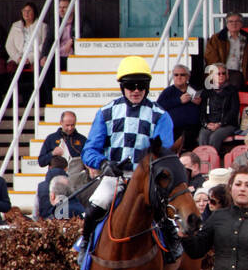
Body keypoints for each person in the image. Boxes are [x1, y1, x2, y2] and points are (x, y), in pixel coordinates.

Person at [75, 56, 175, 255]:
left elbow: (165, 151)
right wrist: (104, 164)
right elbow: (89, 151)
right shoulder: (105, 112)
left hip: (148, 179)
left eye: (141, 85)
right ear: (122, 87)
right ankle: (85, 244)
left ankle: (173, 247)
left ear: (147, 86)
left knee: (166, 211)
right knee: (96, 205)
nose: (136, 90)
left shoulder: (161, 115)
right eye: (131, 85)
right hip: (115, 176)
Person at [204, 13, 248, 90]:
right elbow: (210, 56)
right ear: (226, 24)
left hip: (239, 73)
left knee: (234, 81)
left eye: (237, 21)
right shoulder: (216, 39)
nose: (234, 24)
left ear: (241, 24)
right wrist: (221, 72)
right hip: (221, 72)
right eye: (231, 21)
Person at [198, 63, 241, 156]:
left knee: (214, 137)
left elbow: (234, 111)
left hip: (227, 124)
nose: (221, 75)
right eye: (218, 73)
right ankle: (203, 162)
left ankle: (213, 162)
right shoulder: (207, 91)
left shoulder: (232, 91)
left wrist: (220, 123)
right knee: (203, 136)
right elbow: (202, 111)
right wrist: (206, 124)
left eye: (223, 73)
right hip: (210, 123)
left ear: (227, 75)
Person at [156, 65, 201, 146]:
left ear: (188, 77)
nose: (179, 77)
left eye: (182, 75)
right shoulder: (168, 91)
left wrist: (200, 103)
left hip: (193, 128)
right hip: (173, 129)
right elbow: (158, 107)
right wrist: (179, 100)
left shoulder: (194, 90)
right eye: (176, 75)